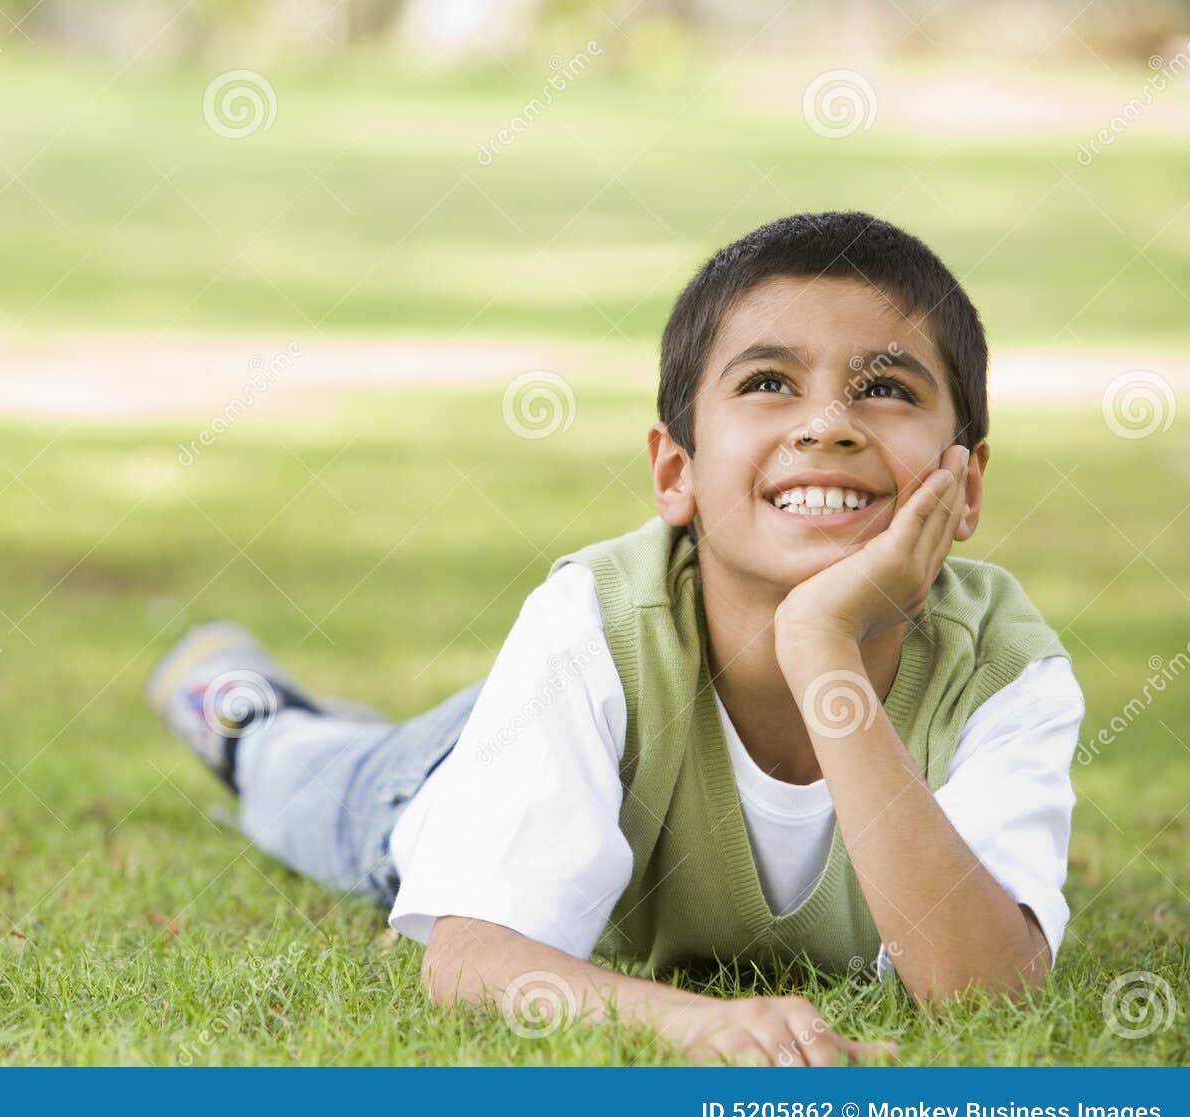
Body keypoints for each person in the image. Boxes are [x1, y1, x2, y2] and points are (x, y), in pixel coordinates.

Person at [147, 211, 1084, 1066]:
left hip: (597, 737)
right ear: (675, 471)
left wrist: (820, 647)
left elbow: (985, 994)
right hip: (470, 764)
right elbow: (468, 961)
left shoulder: (1005, 666)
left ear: (965, 483)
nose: (828, 426)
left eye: (884, 387)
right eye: (768, 382)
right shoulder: (590, 621)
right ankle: (242, 711)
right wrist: (694, 1023)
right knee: (309, 780)